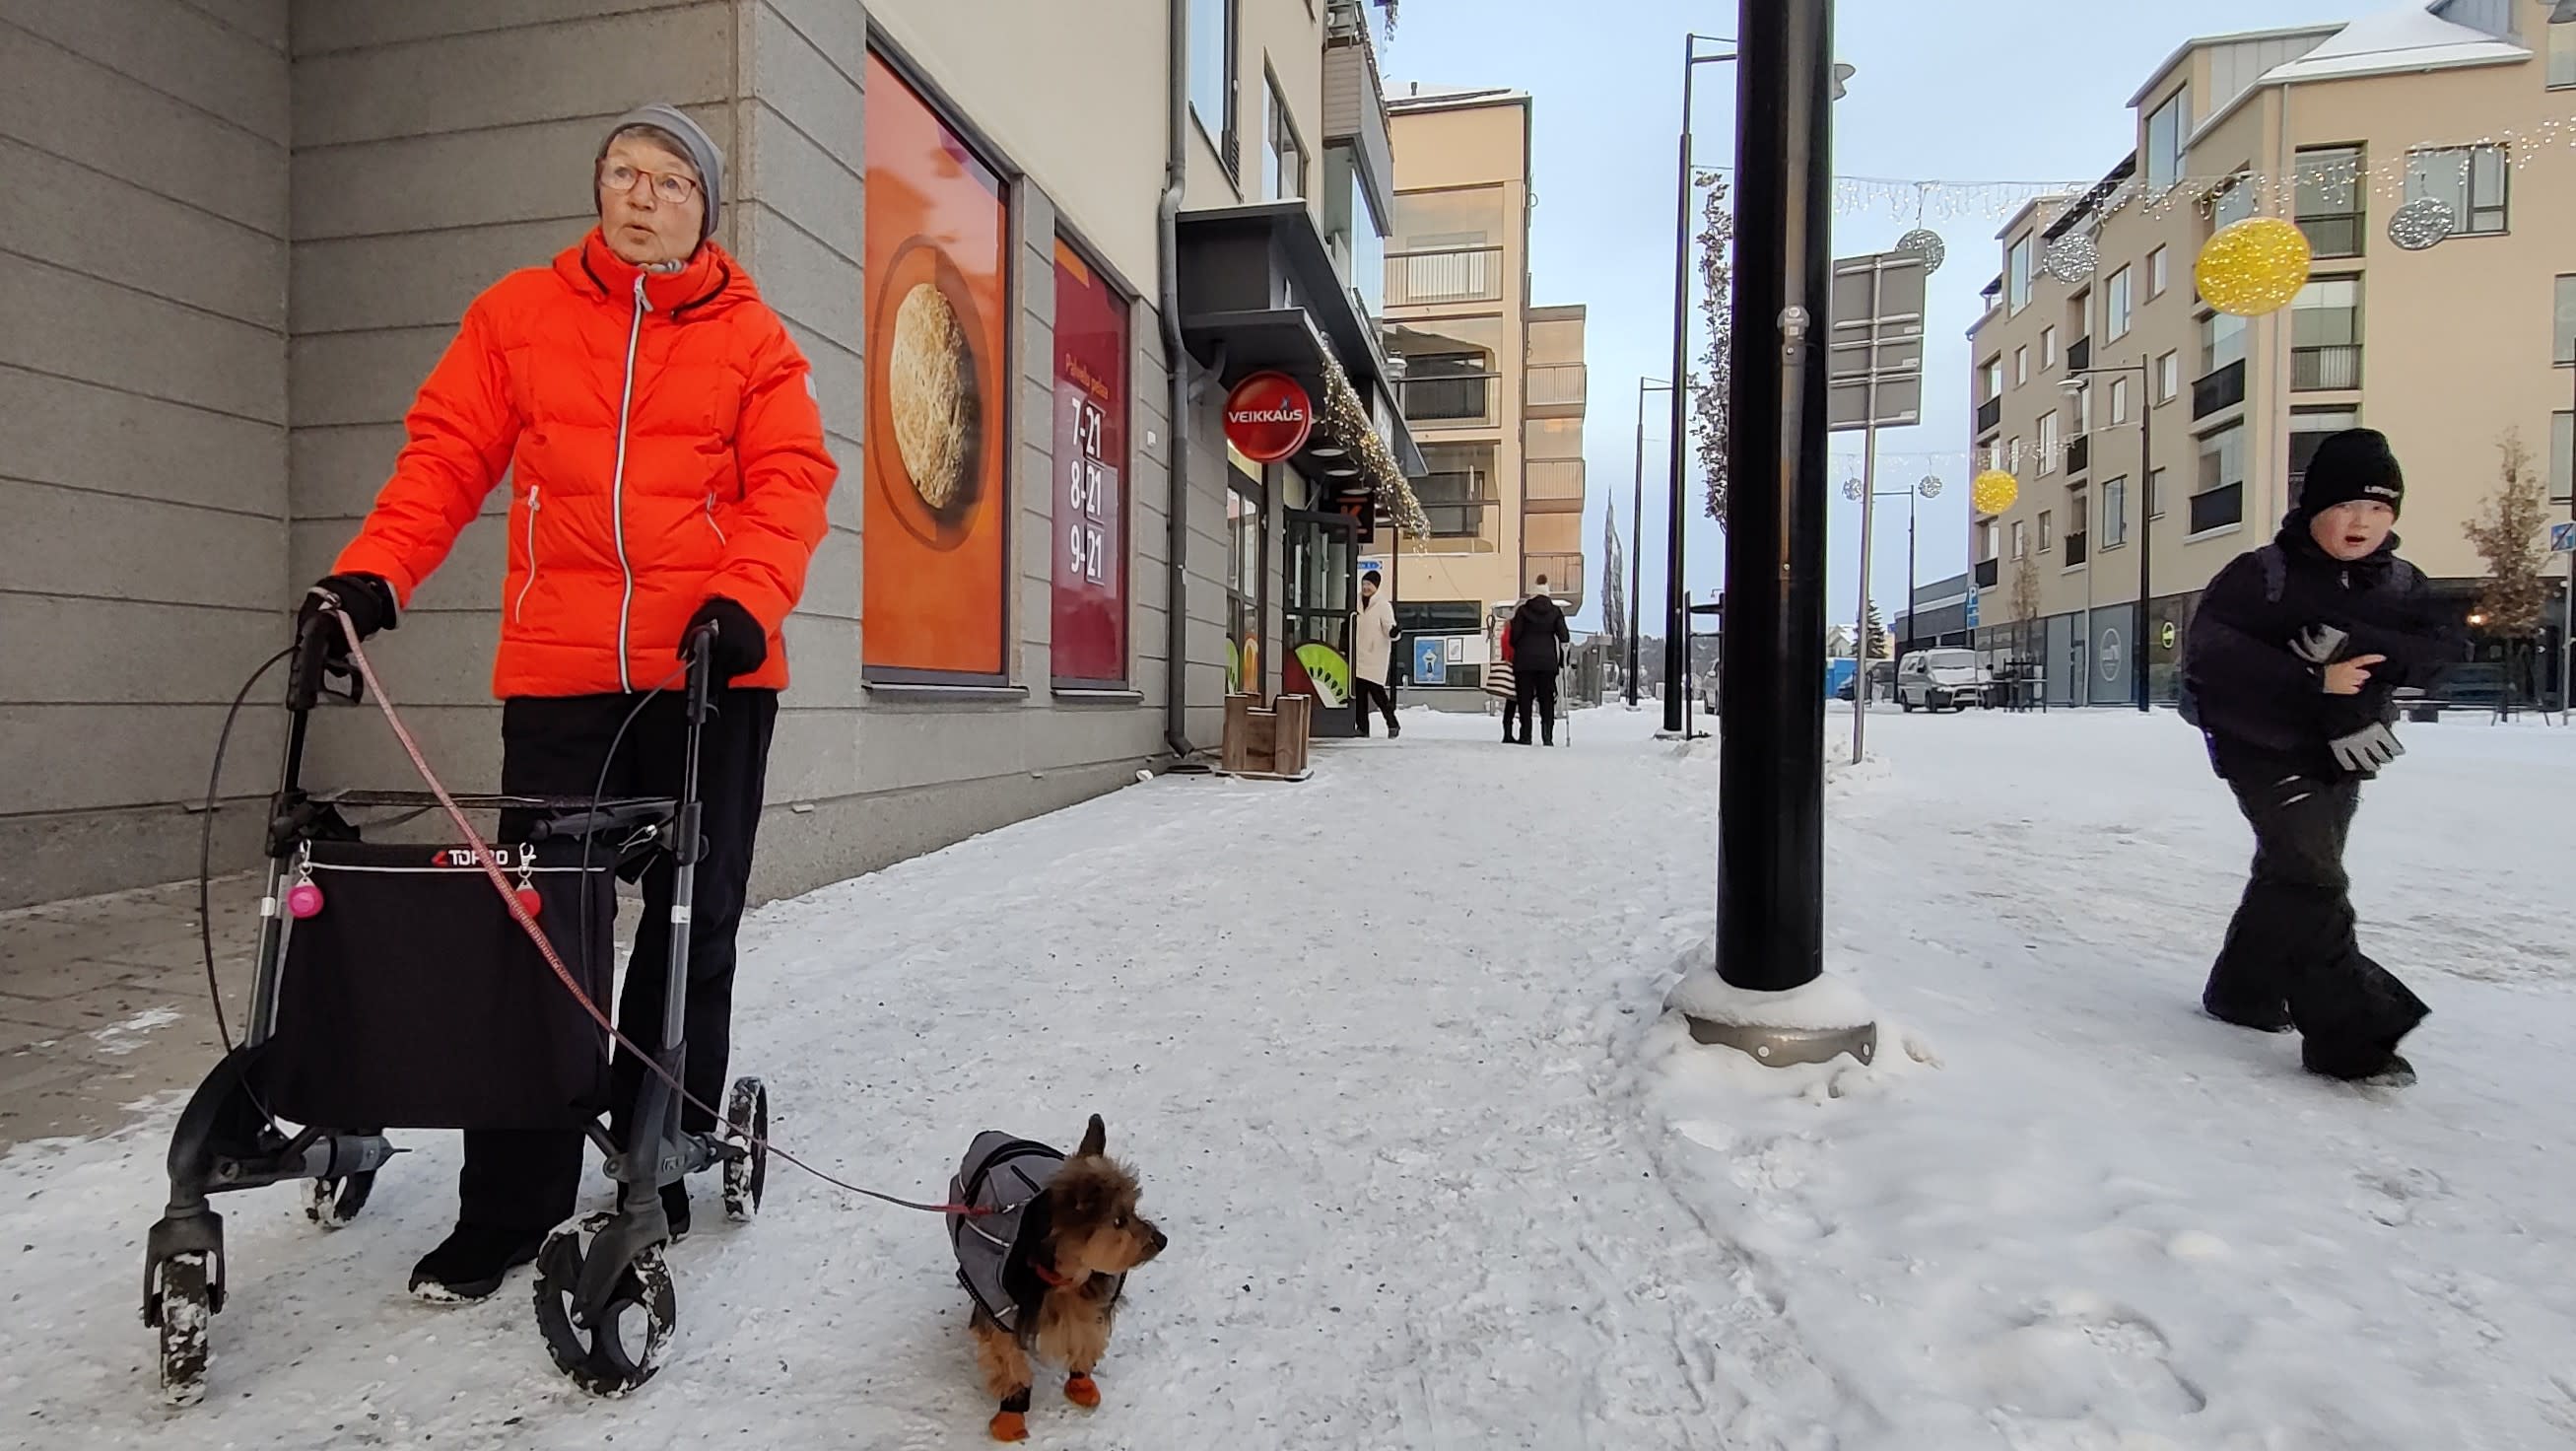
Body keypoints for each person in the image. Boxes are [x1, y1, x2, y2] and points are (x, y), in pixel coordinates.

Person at [299, 104, 836, 1298]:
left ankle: (663, 1141)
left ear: (705, 206)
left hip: (710, 671)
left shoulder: (754, 338)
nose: (640, 195)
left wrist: (747, 598)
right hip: (561, 673)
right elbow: (444, 457)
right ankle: (508, 1203)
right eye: (620, 174)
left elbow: (791, 482)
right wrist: (377, 571)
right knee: (542, 934)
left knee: (692, 916)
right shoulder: (518, 316)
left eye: (667, 181)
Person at [2181, 428, 2458, 1086]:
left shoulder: (2401, 582)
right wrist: (2312, 678)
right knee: (2316, 880)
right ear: (2314, 508)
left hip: (2343, 750)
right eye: (2347, 506)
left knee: (2289, 874)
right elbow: (2209, 660)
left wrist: (2362, 646)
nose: (2362, 521)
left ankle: (2242, 993)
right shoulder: (2262, 575)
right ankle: (2352, 1036)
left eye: (2380, 508)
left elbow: (2446, 652)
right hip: (2261, 746)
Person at [1505, 576, 1570, 747]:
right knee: (1546, 699)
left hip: (1524, 663)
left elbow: (1514, 638)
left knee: (1525, 700)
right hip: (1547, 663)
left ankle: (1525, 735)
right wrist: (1563, 660)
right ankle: (1547, 736)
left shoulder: (1523, 611)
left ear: (1532, 594)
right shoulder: (1556, 612)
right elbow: (1564, 637)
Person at [1350, 570, 1401, 737]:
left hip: (1374, 656)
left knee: (1378, 694)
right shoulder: (1355, 602)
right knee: (1360, 696)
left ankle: (1392, 724)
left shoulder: (1383, 605)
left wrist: (1394, 632)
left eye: (1369, 585)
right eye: (1364, 584)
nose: (1365, 588)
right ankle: (1363, 728)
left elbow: (1388, 628)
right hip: (1358, 654)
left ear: (1376, 586)